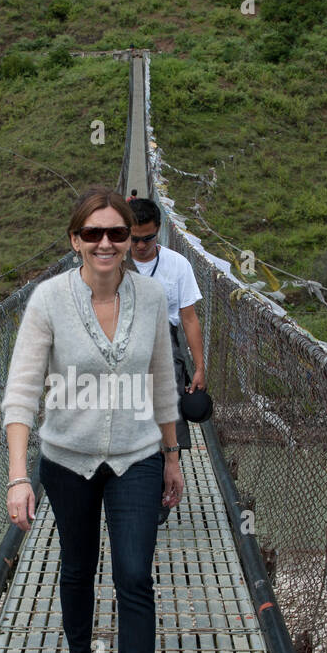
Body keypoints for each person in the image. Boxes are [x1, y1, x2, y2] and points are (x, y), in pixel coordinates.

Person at [1, 187, 185, 653]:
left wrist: (173, 454)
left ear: (133, 240)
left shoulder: (153, 296)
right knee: (77, 565)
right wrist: (17, 476)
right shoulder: (48, 300)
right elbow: (22, 392)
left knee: (134, 575)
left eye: (118, 233)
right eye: (93, 234)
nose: (106, 243)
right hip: (67, 459)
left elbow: (161, 380)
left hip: (137, 455)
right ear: (75, 241)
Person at [127, 197, 206, 525]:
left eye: (148, 238)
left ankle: (157, 496)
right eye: (134, 239)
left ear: (159, 231)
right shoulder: (110, 263)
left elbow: (189, 318)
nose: (141, 245)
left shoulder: (177, 265)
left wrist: (200, 366)